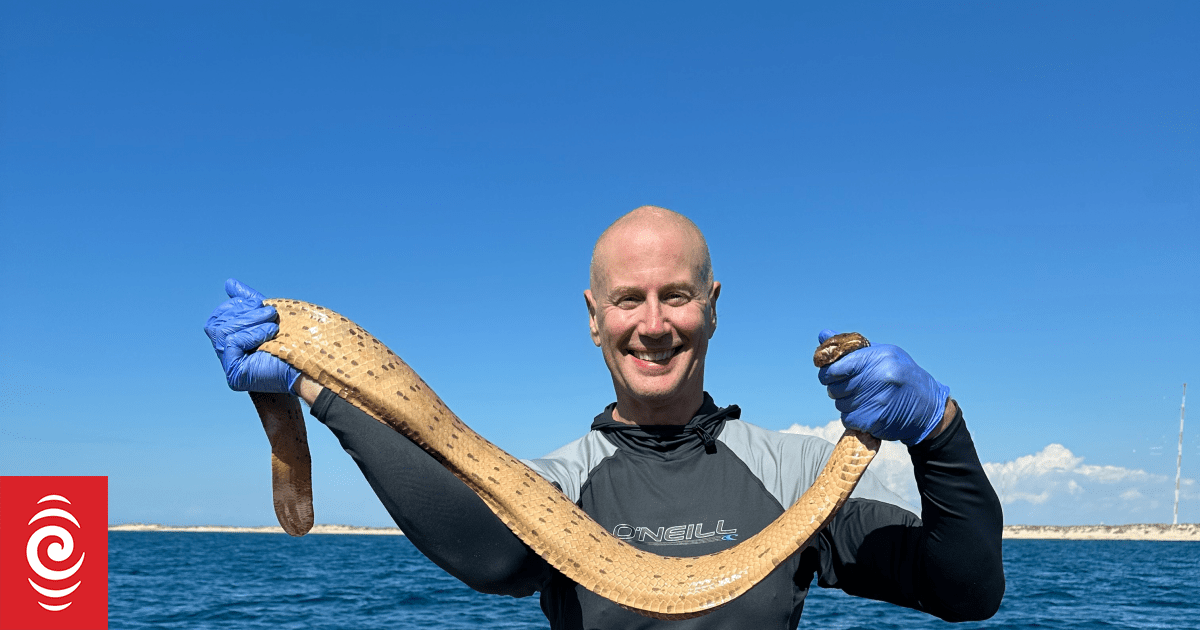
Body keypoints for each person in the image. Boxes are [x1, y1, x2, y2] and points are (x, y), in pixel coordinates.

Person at [204, 206, 1004, 628]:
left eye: (676, 296)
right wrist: (321, 388)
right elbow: (491, 559)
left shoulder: (795, 476)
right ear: (594, 316)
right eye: (628, 299)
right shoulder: (558, 483)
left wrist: (937, 428)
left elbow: (965, 588)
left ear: (713, 308)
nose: (652, 324)